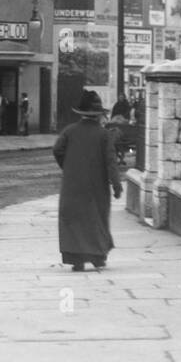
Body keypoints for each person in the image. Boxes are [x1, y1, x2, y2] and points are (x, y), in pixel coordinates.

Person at [53, 90, 123, 272]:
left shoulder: (69, 131)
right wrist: (116, 185)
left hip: (72, 185)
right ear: (99, 115)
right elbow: (111, 162)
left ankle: (76, 259)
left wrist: (68, 167)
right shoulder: (104, 135)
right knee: (96, 219)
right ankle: (98, 257)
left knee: (74, 220)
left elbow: (57, 150)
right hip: (96, 186)